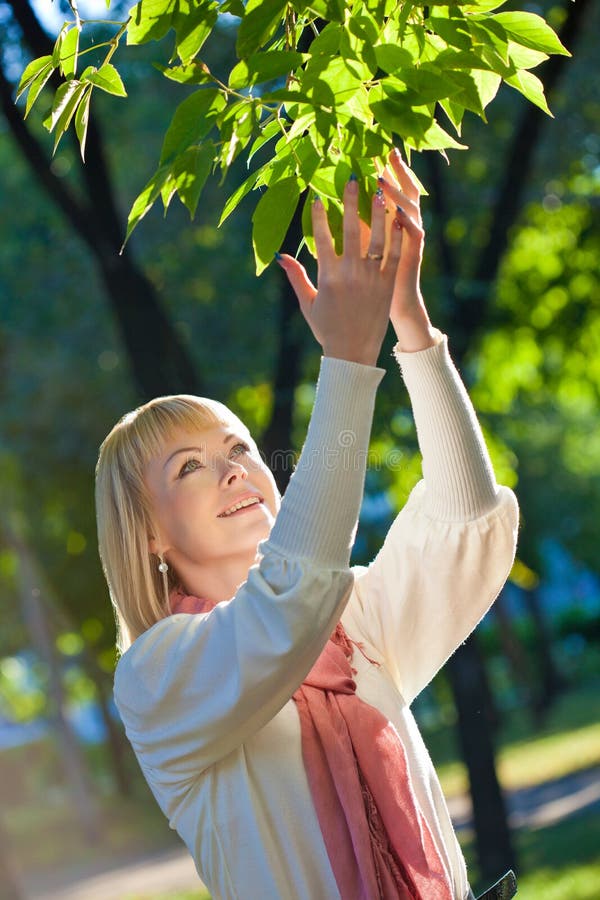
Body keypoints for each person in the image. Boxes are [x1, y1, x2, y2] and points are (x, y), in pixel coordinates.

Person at [95, 150, 519, 900]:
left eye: (238, 449)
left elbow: (465, 518)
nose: (231, 470)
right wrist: (347, 362)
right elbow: (289, 601)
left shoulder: (351, 628)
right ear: (149, 536)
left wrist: (407, 323)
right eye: (188, 468)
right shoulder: (159, 679)